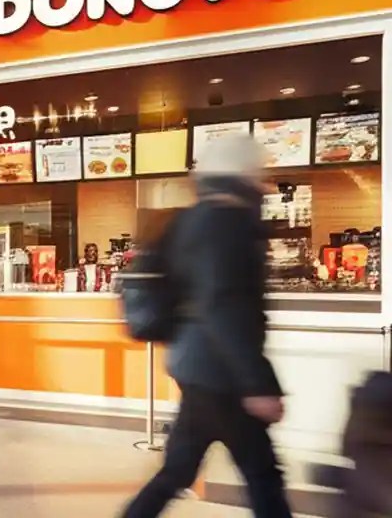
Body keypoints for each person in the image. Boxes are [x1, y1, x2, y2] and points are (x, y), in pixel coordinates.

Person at [123, 134, 292, 518]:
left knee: (178, 470)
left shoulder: (193, 218)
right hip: (222, 374)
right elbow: (224, 305)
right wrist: (257, 384)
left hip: (196, 366)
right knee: (264, 476)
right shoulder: (227, 221)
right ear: (245, 174)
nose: (263, 181)